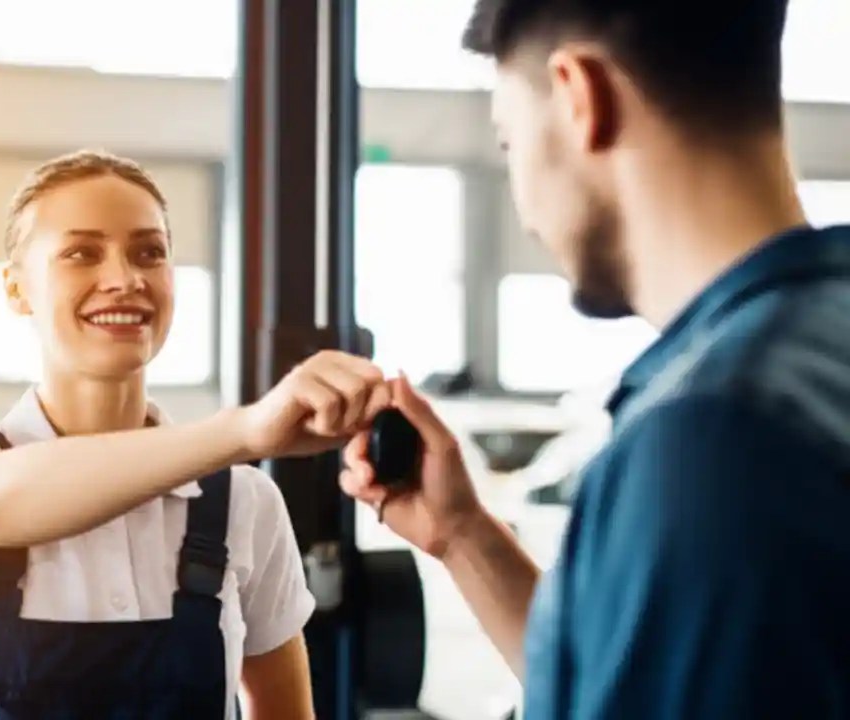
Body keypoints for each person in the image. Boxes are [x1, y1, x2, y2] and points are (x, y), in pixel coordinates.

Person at [341, 1, 850, 718]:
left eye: (511, 143)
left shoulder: (714, 437)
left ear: (582, 97)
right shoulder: (815, 346)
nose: (524, 209)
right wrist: (463, 535)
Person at [0, 149, 390, 719]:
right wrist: (244, 430)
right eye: (81, 253)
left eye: (149, 253)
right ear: (15, 289)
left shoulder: (241, 503)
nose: (123, 279)